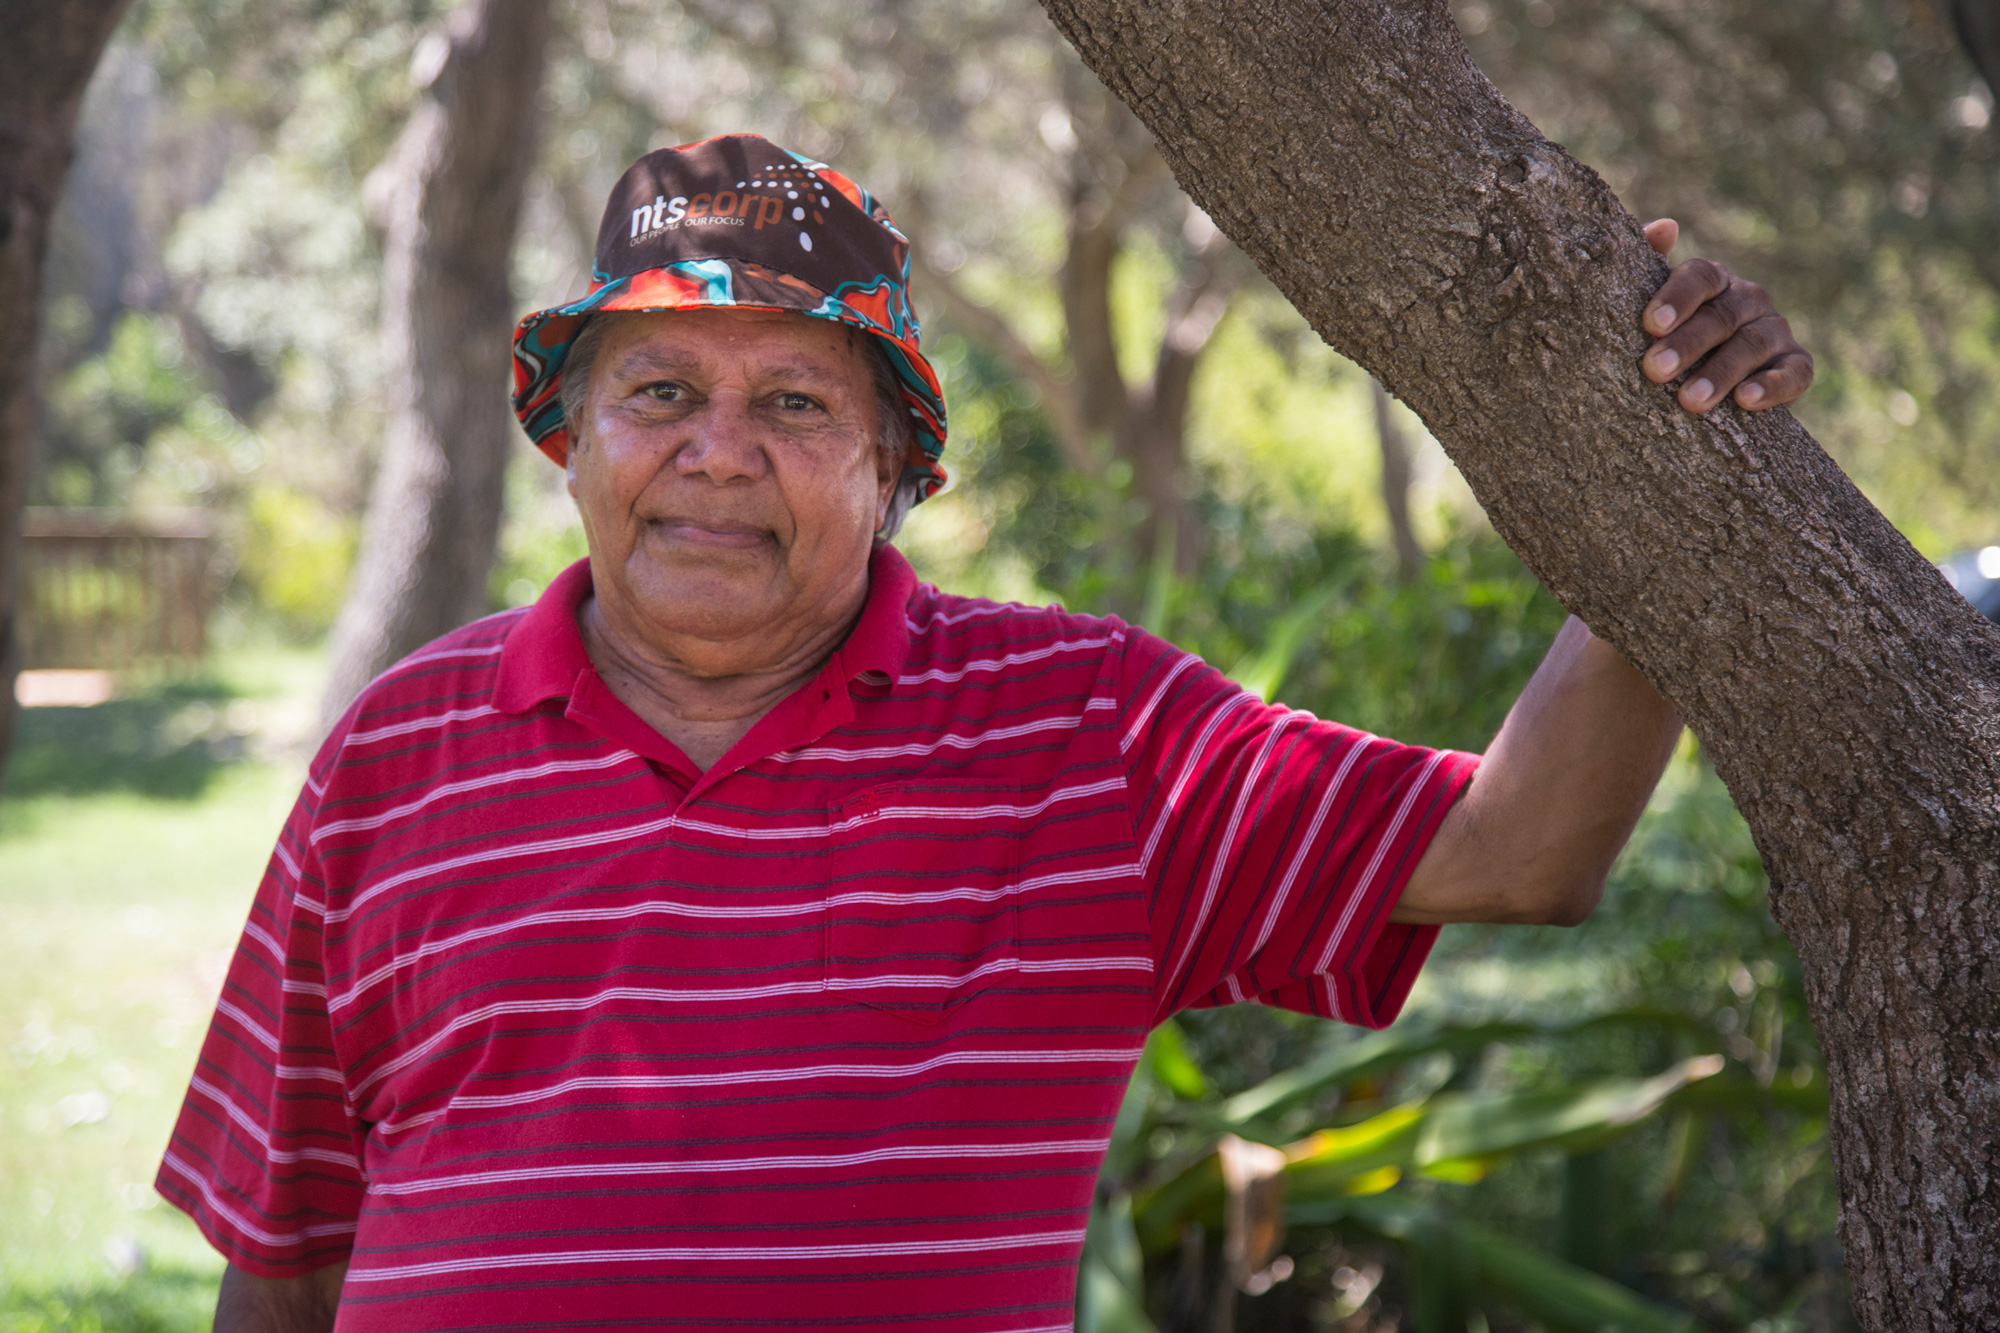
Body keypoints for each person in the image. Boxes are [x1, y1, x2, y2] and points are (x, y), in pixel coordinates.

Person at [157, 132, 1812, 1332]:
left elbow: (1523, 847)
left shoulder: (1080, 728)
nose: (719, 452)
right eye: (660, 389)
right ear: (572, 440)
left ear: (895, 474)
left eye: (797, 403)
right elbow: (288, 1250)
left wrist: (1677, 451)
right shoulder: (397, 749)